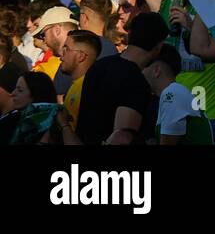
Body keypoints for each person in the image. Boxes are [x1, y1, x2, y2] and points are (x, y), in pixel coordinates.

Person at [71, 11, 168, 145]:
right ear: (159, 46)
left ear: (130, 35)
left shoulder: (99, 65)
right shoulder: (136, 81)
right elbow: (122, 137)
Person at [143, 44, 213, 145]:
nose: (141, 71)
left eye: (144, 65)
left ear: (156, 70)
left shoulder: (172, 93)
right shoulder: (174, 91)